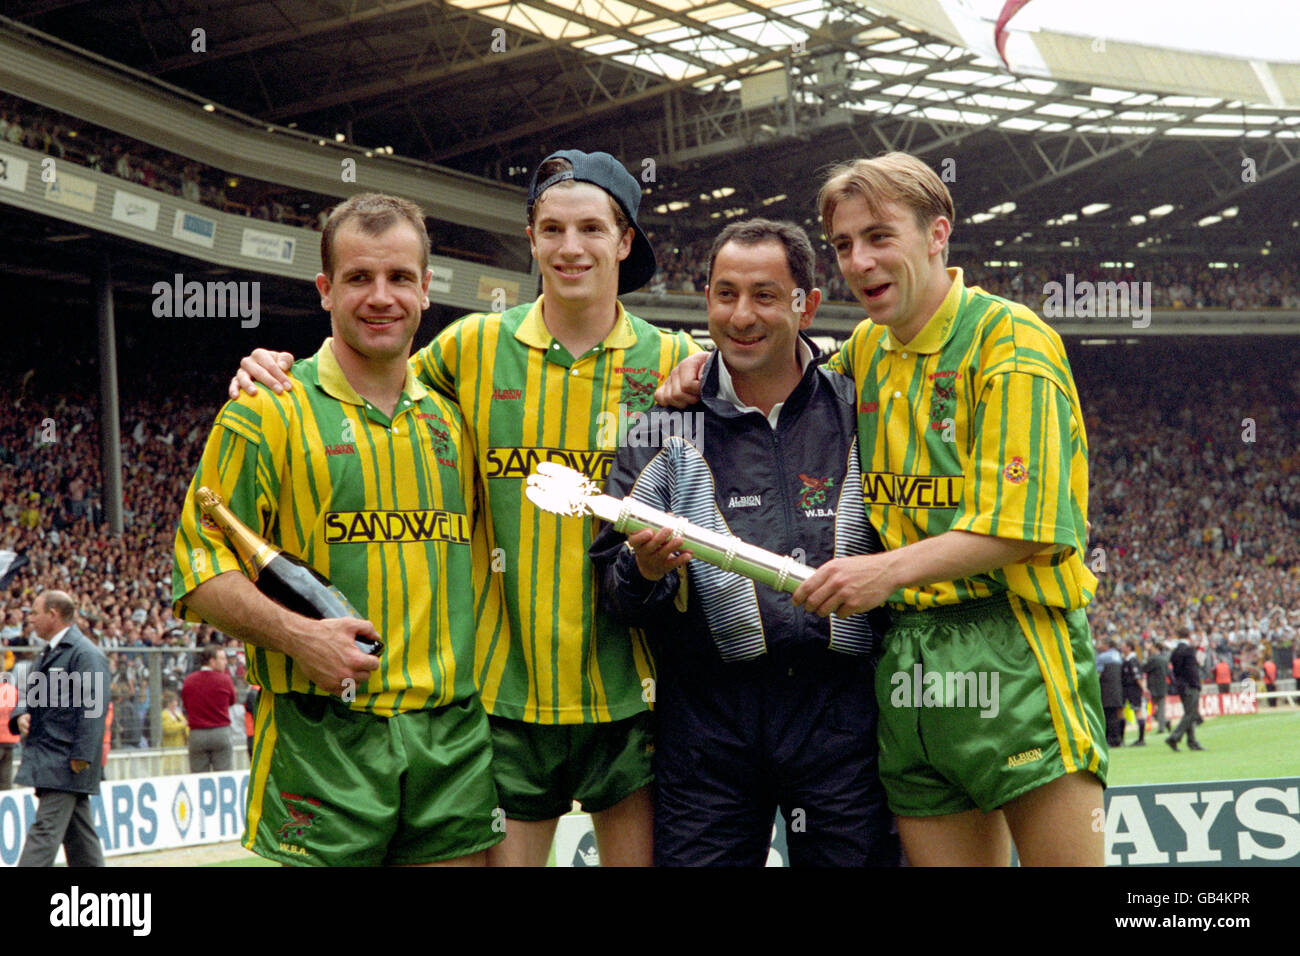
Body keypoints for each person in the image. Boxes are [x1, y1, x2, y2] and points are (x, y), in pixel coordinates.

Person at [228, 152, 699, 866]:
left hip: (631, 695)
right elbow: (368, 376)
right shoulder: (473, 347)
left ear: (625, 240)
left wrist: (720, 365)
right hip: (502, 700)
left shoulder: (674, 361)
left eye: (591, 229)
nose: (571, 247)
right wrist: (272, 366)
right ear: (532, 239)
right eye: (552, 229)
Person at [657, 151, 1106, 866]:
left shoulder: (1011, 344)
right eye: (842, 245)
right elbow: (775, 362)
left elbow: (1027, 527)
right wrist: (699, 365)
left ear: (937, 233)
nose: (859, 262)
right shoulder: (866, 351)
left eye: (879, 236)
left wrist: (884, 573)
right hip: (904, 667)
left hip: (1013, 646)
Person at [174, 192, 502, 866]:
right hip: (320, 740)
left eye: (399, 278)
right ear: (325, 290)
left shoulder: (458, 420)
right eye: (358, 278)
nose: (380, 297)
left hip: (452, 739)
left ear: (426, 289)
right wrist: (298, 636)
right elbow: (198, 570)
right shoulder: (265, 412)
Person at [588, 218, 897, 866]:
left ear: (805, 304)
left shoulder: (862, 410)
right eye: (725, 294)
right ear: (706, 301)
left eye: (763, 294)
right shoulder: (663, 430)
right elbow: (614, 595)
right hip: (707, 724)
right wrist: (644, 573)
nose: (741, 315)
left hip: (843, 716)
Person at [7, 590, 111, 867]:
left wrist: (82, 756)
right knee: (81, 842)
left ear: (53, 614)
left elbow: (94, 709)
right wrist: (20, 716)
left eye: (34, 612)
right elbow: (29, 695)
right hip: (52, 758)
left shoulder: (85, 654)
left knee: (43, 836)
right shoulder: (49, 652)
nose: (30, 619)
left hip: (65, 760)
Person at [180, 644, 235, 771]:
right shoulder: (225, 680)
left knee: (199, 777)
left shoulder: (189, 680)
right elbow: (232, 701)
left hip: (197, 733)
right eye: (222, 659)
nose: (225, 662)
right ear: (212, 661)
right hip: (220, 731)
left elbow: (186, 703)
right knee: (223, 775)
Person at [1167, 627, 1205, 752]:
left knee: (1189, 712)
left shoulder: (1175, 651)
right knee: (1191, 713)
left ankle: (1192, 741)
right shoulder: (1188, 650)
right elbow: (1192, 670)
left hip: (1180, 685)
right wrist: (1197, 684)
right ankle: (1174, 736)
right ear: (1189, 635)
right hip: (1190, 685)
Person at [1096, 640, 1124, 747]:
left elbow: (1098, 674)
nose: (1099, 646)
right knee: (1116, 715)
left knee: (1107, 716)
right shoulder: (1118, 656)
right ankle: (1118, 739)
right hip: (1118, 690)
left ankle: (1110, 739)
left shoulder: (1102, 657)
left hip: (1106, 690)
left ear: (1107, 645)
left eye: (1101, 643)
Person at [1142, 639, 1171, 732]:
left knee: (1150, 707)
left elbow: (1144, 668)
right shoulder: (1165, 658)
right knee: (1161, 707)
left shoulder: (1153, 659)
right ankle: (1164, 723)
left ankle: (1162, 725)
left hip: (1153, 686)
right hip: (1163, 685)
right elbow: (1168, 672)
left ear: (1156, 648)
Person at [1120, 640, 1145, 746]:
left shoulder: (1133, 660)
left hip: (1133, 688)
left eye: (1124, 645)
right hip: (1125, 688)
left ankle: (1141, 739)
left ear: (1129, 648)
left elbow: (1138, 676)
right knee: (1121, 711)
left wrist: (1143, 688)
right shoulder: (1126, 659)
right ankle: (1121, 738)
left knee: (1137, 711)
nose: (1122, 647)